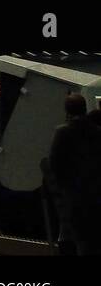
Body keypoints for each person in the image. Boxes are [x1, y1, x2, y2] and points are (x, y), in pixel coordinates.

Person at [48, 92, 101, 255]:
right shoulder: (98, 131)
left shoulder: (62, 132)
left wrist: (62, 187)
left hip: (74, 196)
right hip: (97, 193)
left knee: (82, 241)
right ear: (85, 108)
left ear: (67, 111)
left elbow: (55, 163)